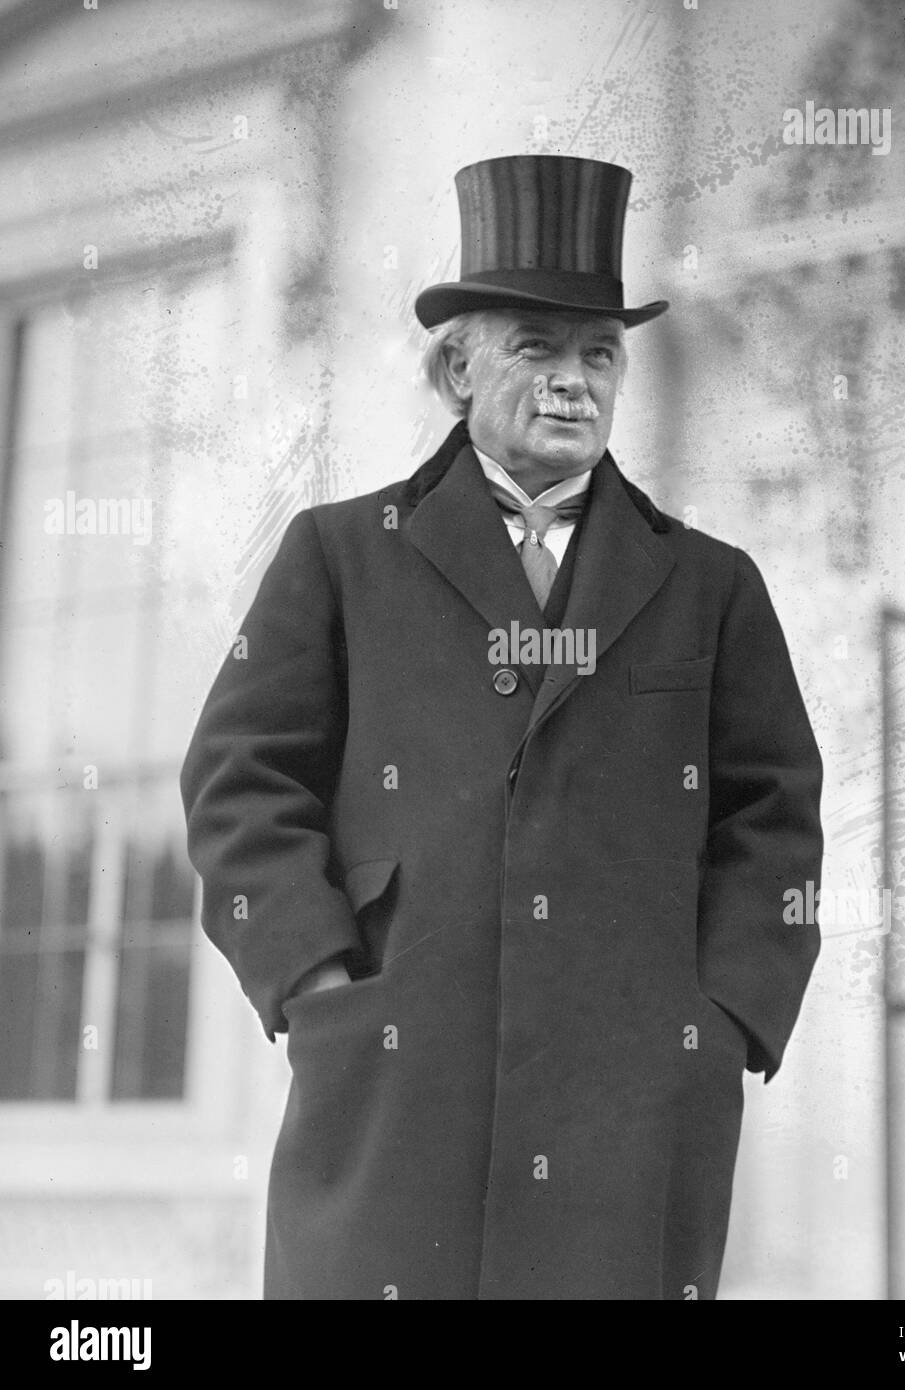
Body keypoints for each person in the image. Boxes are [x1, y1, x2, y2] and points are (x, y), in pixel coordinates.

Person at [180, 154, 824, 1301]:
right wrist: (318, 983)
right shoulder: (339, 557)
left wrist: (721, 1021)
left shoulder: (712, 585)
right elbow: (239, 779)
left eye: (598, 354)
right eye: (536, 348)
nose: (573, 381)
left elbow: (774, 820)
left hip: (633, 1104)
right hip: (391, 1081)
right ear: (455, 370)